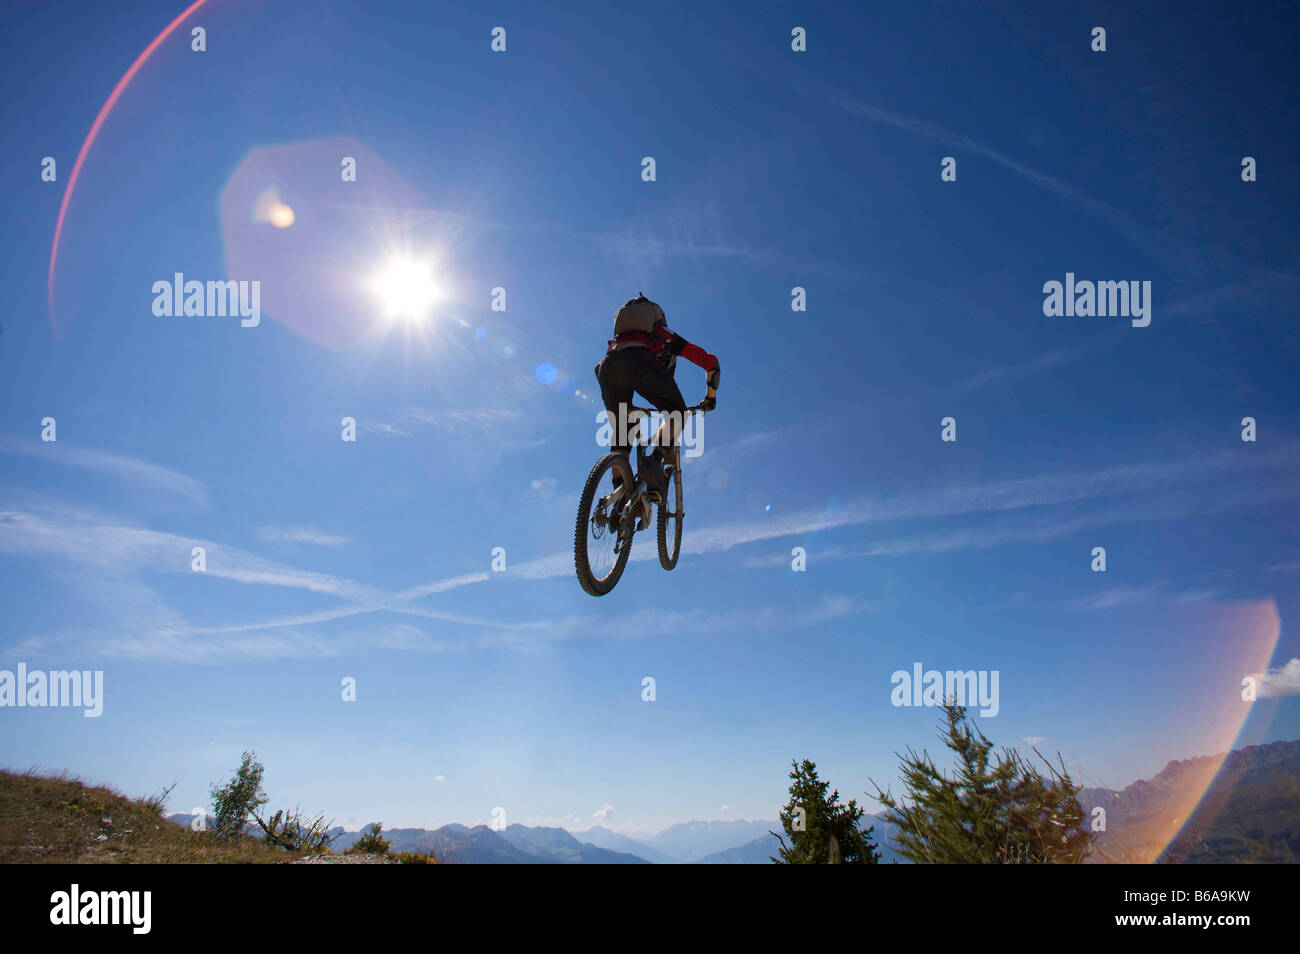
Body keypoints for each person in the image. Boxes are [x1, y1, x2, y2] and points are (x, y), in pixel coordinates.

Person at [595, 294, 719, 526]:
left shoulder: (617, 340)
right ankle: (654, 461)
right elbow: (710, 361)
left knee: (623, 434)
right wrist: (710, 397)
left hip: (608, 370)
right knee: (678, 413)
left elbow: (600, 369)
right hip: (639, 363)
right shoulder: (661, 334)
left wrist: (622, 405)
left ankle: (620, 498)